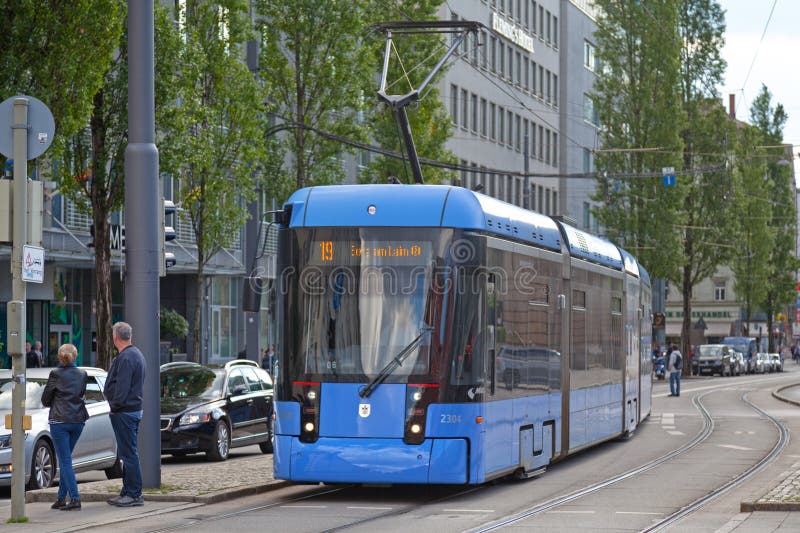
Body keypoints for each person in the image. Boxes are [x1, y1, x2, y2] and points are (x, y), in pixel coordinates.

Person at [41, 343, 88, 511]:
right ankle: (61, 498)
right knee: (66, 458)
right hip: (78, 421)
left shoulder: (55, 374)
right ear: (75, 356)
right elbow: (81, 394)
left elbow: (45, 399)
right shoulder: (83, 374)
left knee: (65, 460)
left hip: (60, 421)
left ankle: (75, 498)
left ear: (60, 357)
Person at [104, 321, 146, 507]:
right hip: (131, 410)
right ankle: (128, 491)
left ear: (115, 337)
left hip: (125, 411)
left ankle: (134, 494)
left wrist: (114, 406)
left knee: (129, 454)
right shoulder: (136, 354)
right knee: (127, 453)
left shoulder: (126, 358)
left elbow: (122, 388)